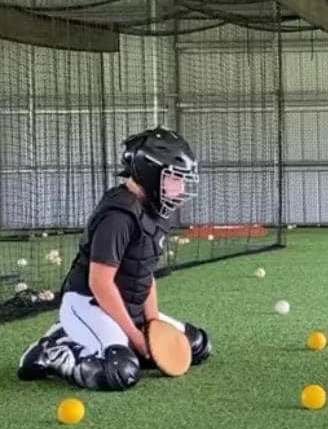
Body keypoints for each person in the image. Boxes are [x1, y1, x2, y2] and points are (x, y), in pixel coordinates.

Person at [17, 126, 212, 391]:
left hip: (127, 304)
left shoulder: (154, 211)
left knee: (196, 345)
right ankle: (53, 349)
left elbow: (143, 273)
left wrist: (152, 326)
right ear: (149, 172)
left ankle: (103, 339)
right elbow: (100, 283)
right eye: (174, 178)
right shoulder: (118, 216)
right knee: (119, 371)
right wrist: (136, 337)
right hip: (89, 303)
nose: (181, 187)